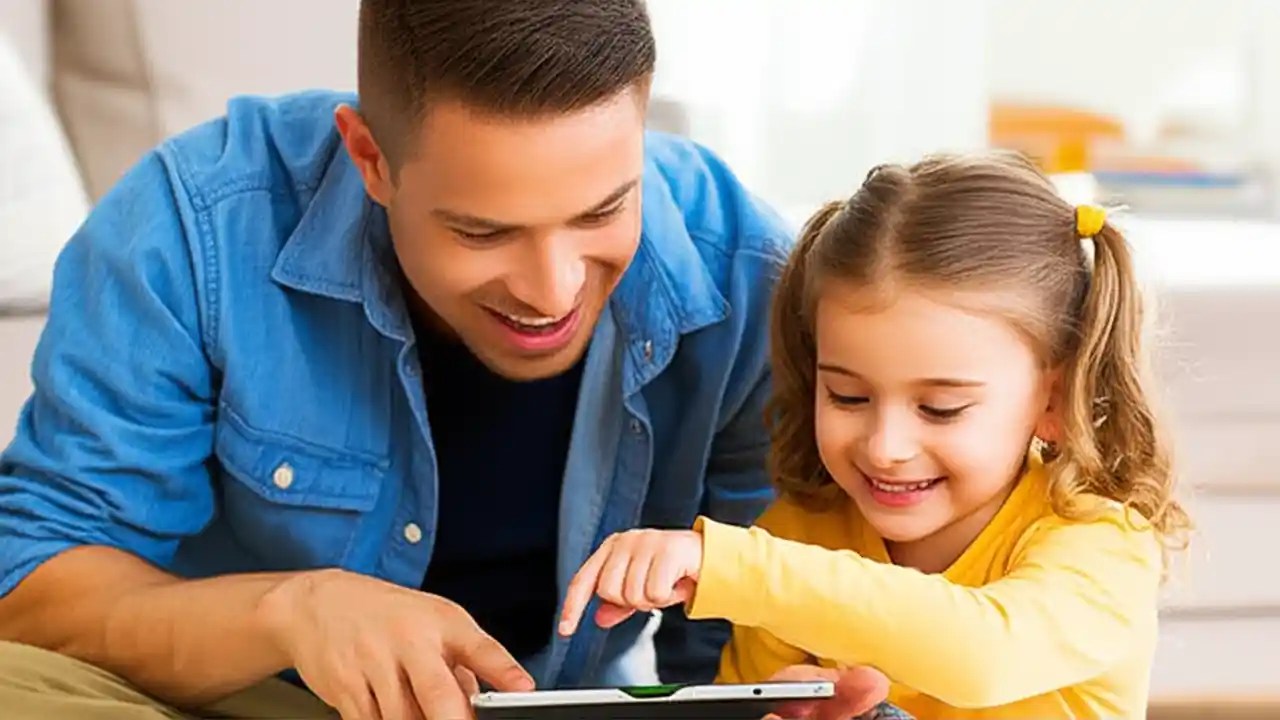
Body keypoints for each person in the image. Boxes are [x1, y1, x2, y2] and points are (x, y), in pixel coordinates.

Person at [0, 1, 887, 718]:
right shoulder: (190, 231)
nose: (552, 290)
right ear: (369, 159)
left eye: (603, 211)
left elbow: (742, 653)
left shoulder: (747, 276)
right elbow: (30, 589)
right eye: (482, 230)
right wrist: (294, 611)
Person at [560, 152, 1193, 719]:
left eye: (941, 408)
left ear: (1053, 400)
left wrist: (730, 566)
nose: (885, 445)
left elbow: (984, 653)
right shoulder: (799, 535)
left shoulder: (1101, 541)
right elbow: (754, 694)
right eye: (848, 396)